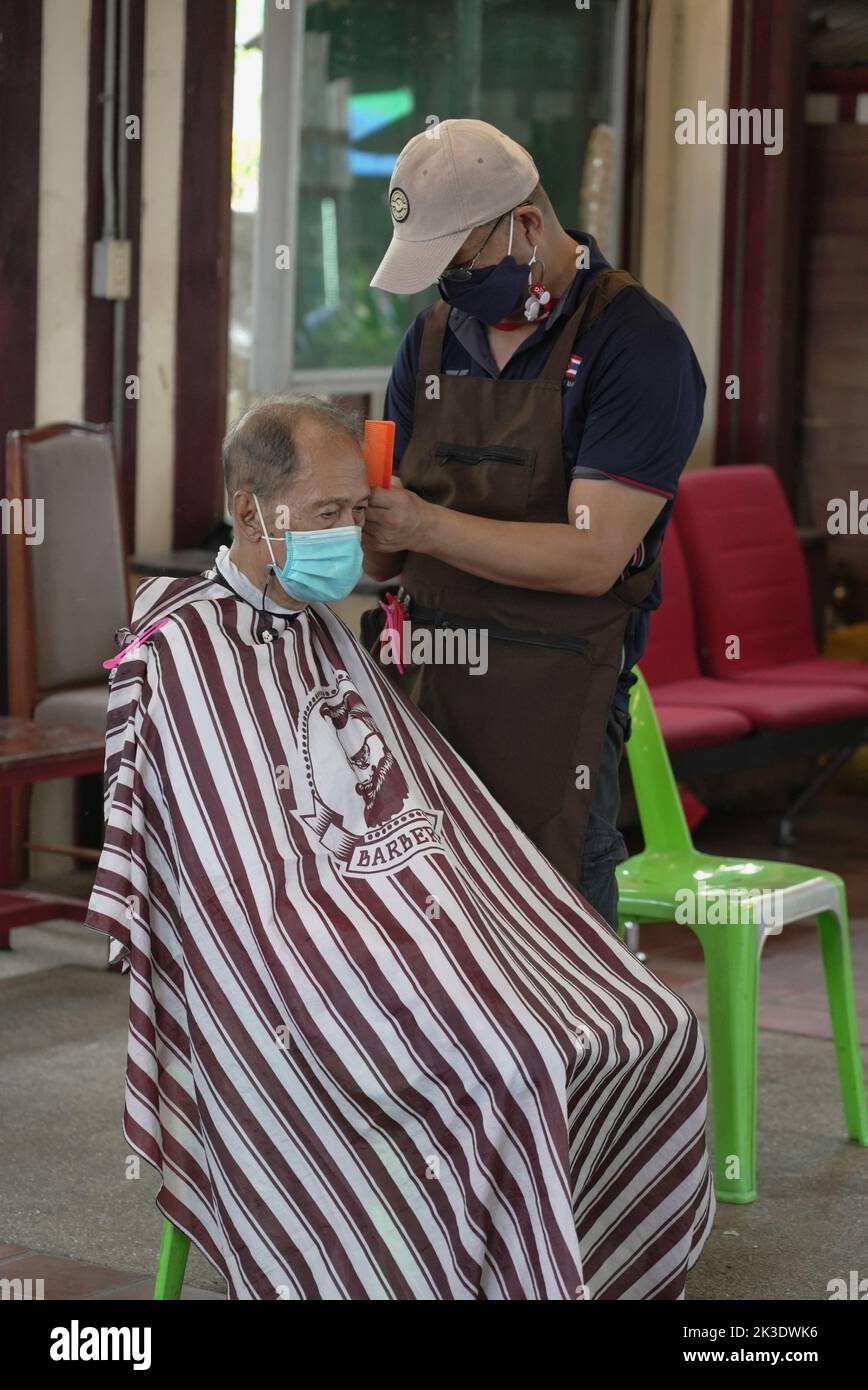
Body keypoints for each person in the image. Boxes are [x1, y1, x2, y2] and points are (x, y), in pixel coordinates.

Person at [87, 396, 713, 1300]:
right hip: (294, 970)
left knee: (656, 1025)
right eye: (330, 514)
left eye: (359, 511)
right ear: (250, 508)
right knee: (515, 1064)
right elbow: (226, 877)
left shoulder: (320, 629)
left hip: (406, 920)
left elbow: (418, 812)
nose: (352, 537)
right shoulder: (177, 650)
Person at [363, 119, 705, 931]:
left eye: (460, 264)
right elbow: (386, 559)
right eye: (434, 272)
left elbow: (592, 557)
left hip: (556, 704)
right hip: (427, 691)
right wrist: (351, 521)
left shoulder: (635, 346)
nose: (447, 288)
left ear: (525, 223)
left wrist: (421, 522)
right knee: (428, 948)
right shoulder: (433, 341)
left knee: (557, 966)